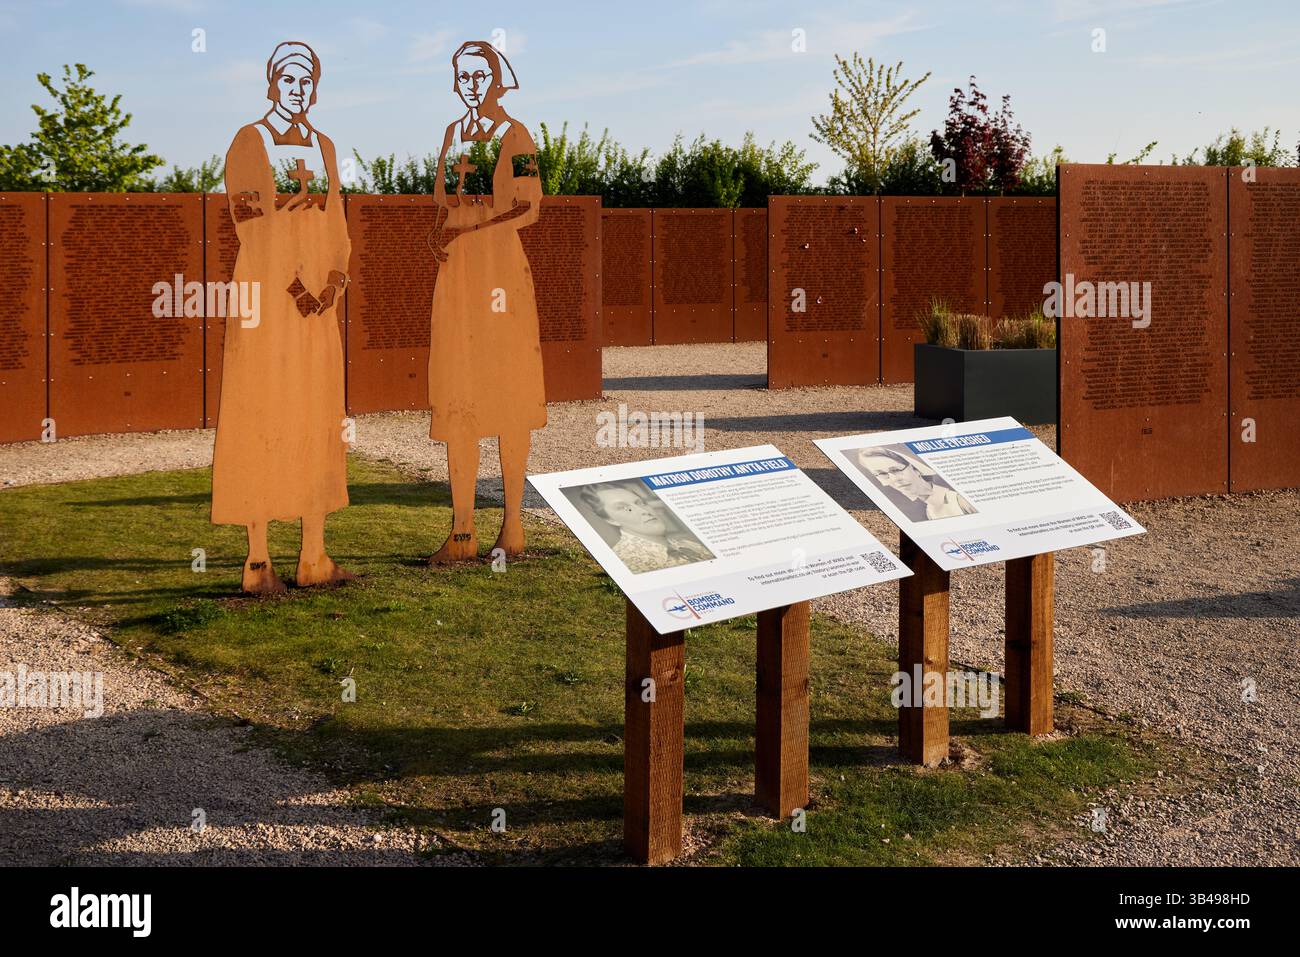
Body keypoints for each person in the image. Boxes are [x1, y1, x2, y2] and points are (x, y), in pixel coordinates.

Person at [211, 41, 353, 594]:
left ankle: (313, 554)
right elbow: (251, 224)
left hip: (318, 311)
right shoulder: (250, 140)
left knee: (315, 417)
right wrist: (296, 286)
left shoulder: (324, 145)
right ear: (272, 83)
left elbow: (336, 219)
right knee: (263, 414)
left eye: (306, 81)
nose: (298, 90)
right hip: (270, 308)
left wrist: (335, 280)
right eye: (288, 79)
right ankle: (257, 560)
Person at [427, 40, 545, 563]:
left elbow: (528, 206)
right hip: (457, 277)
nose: (472, 85)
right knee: (459, 392)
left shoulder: (515, 135)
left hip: (499, 271)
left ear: (497, 80)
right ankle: (461, 531)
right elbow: (442, 199)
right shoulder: (453, 134)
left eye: (481, 75)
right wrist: (441, 229)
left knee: (510, 392)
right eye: (464, 76)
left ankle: (513, 525)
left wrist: (474, 232)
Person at [579, 484, 714, 575]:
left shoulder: (689, 545)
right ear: (610, 520)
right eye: (622, 507)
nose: (643, 511)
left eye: (640, 503)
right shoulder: (623, 561)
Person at [855, 446, 976, 523]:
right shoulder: (931, 510)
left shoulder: (960, 500)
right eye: (881, 474)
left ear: (915, 469)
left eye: (896, 469)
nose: (894, 479)